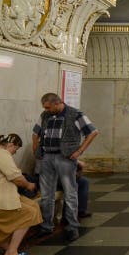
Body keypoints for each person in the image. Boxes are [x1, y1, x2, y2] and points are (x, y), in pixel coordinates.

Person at [32, 93, 98, 242]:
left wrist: (80, 151)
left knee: (70, 193)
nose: (46, 110)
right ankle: (46, 226)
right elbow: (35, 132)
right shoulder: (45, 115)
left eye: (48, 107)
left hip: (65, 158)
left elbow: (93, 132)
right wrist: (36, 148)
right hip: (46, 157)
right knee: (46, 194)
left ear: (57, 103)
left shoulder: (75, 114)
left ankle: (72, 226)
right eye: (44, 107)